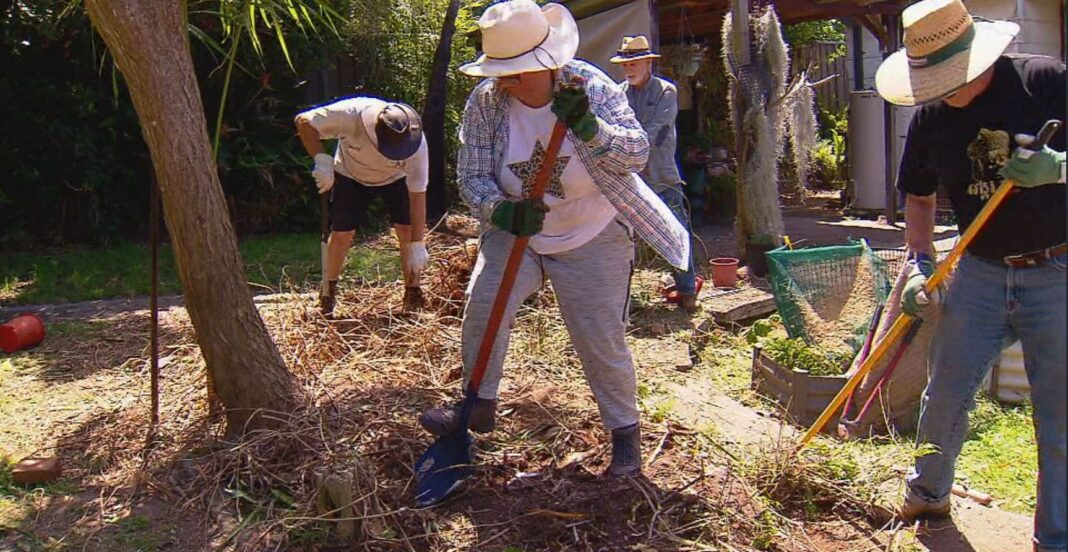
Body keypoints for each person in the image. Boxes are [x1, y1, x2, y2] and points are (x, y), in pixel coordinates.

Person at [417, 0, 689, 477]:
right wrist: (499, 208)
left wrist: (591, 127)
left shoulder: (592, 87)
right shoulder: (486, 102)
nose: (505, 82)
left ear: (547, 65)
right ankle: (476, 403)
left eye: (516, 73)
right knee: (485, 302)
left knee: (599, 338)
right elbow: (472, 176)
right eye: (500, 72)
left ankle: (625, 435)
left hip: (592, 231)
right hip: (518, 228)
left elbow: (637, 154)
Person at [875, 1, 1065, 549]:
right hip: (979, 272)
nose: (939, 88)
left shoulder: (1046, 83)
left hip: (1056, 268)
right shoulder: (933, 119)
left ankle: (1055, 538)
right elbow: (918, 197)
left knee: (1059, 417)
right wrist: (919, 263)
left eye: (946, 76)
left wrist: (1057, 168)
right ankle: (927, 495)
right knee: (945, 395)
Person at [294, 98, 430, 316]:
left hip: (396, 178)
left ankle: (413, 294)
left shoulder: (417, 146)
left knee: (406, 231)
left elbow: (418, 194)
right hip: (350, 173)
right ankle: (327, 295)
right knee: (342, 233)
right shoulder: (350, 115)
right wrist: (321, 159)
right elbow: (303, 122)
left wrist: (418, 243)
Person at [612, 35, 699, 312]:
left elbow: (659, 130)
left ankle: (687, 294)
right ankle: (622, 298)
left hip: (661, 176)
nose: (629, 69)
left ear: (648, 62)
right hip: (628, 179)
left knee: (676, 233)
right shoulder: (617, 94)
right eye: (625, 64)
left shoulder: (666, 91)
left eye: (634, 62)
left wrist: (629, 148)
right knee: (619, 238)